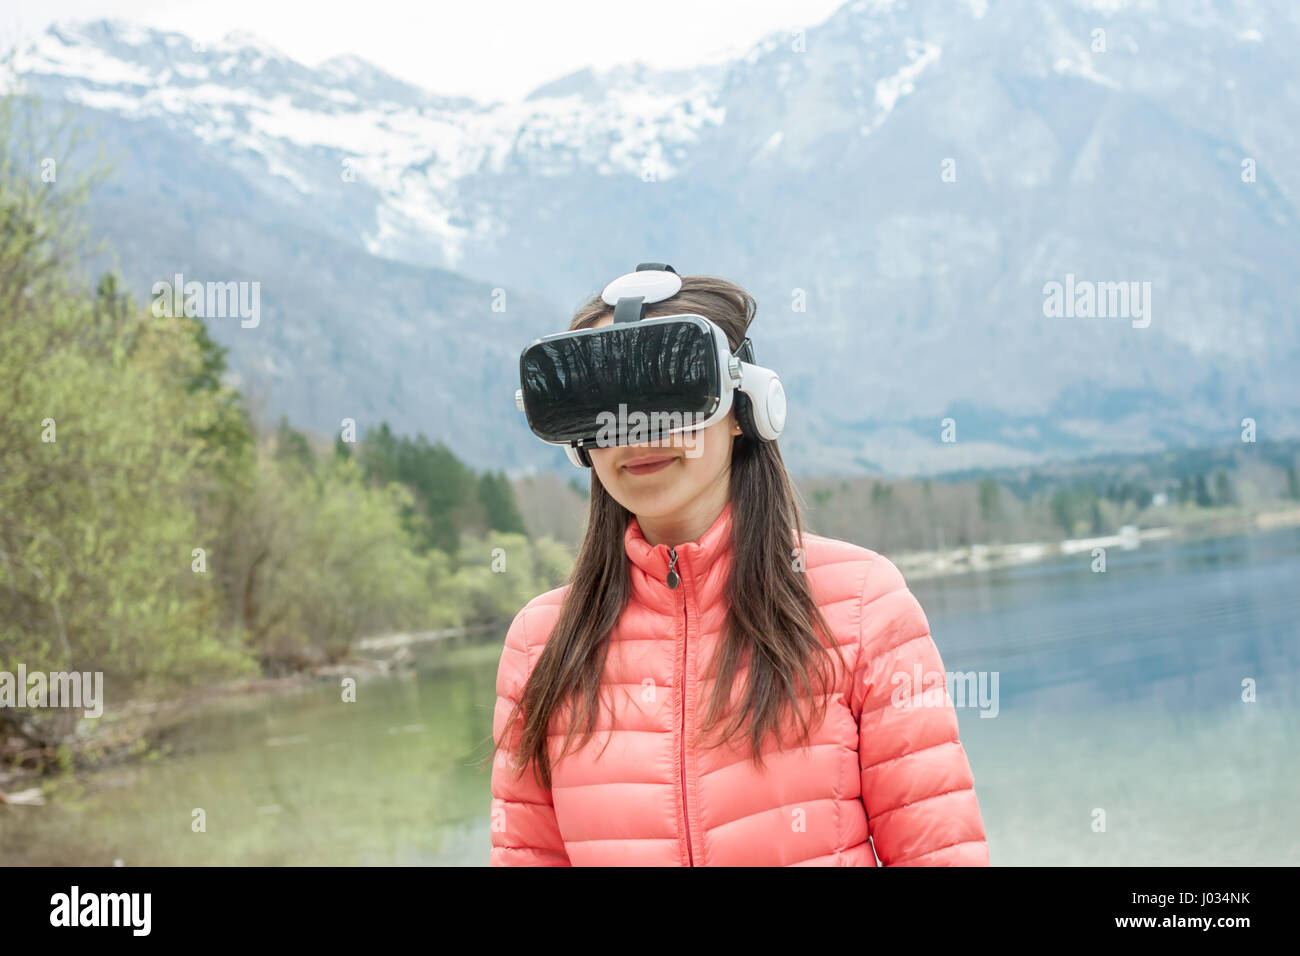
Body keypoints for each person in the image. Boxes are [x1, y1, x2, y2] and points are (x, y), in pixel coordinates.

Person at [489, 269, 989, 866]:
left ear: (743, 408)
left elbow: (938, 853)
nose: (635, 429)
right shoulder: (540, 644)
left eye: (672, 391)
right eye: (604, 406)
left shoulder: (861, 606)